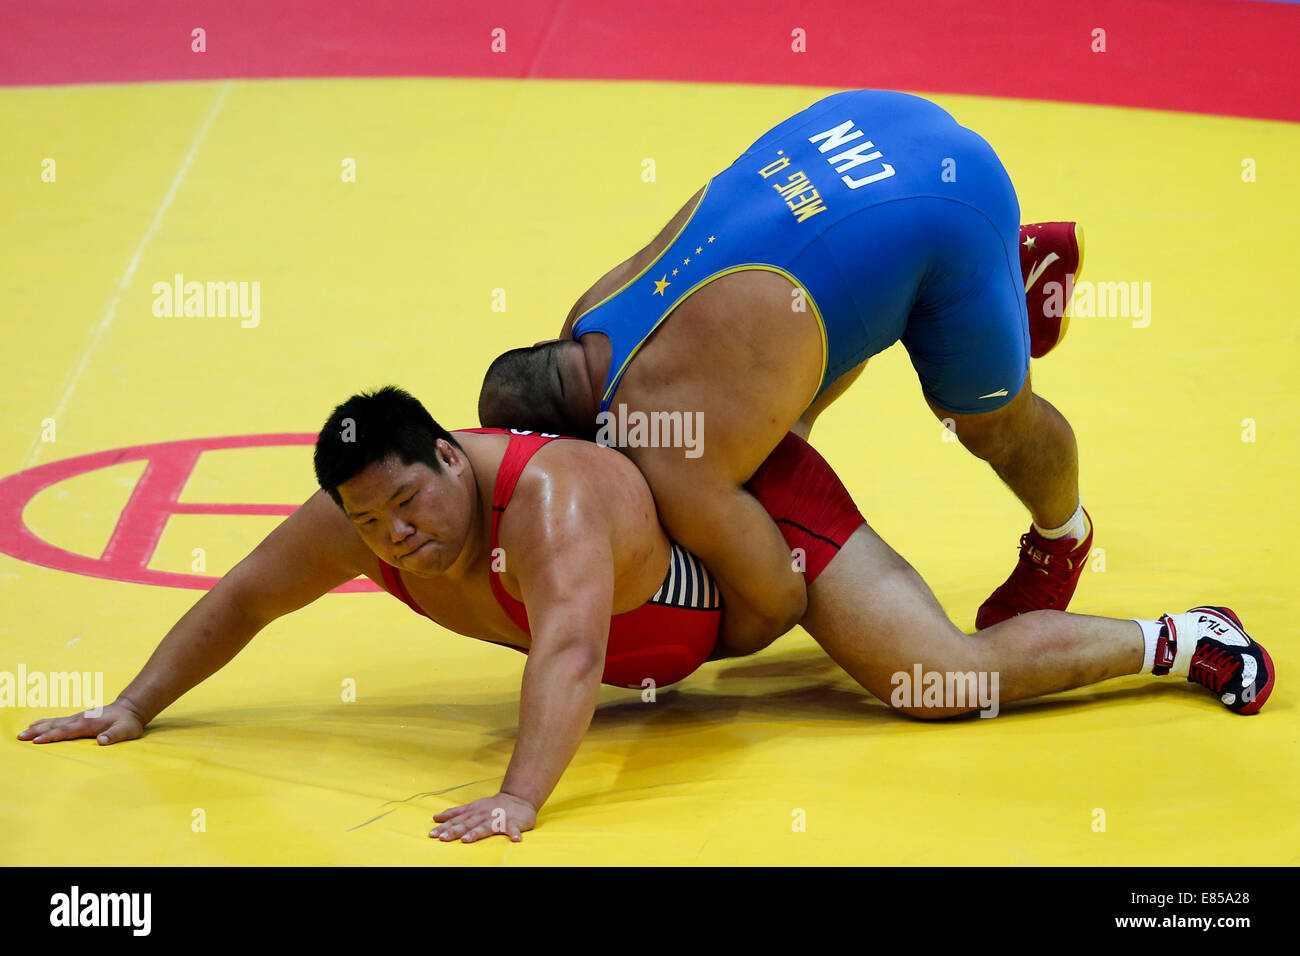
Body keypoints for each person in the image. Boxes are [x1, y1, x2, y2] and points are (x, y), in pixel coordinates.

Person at [19, 387, 1275, 845]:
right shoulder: (361, 514)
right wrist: (134, 701)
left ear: (454, 457)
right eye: (369, 524)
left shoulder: (542, 503)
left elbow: (570, 645)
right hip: (692, 597)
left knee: (936, 680)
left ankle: (1178, 634)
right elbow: (241, 595)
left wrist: (521, 796)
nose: (394, 538)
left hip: (756, 525)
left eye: (408, 504)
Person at [478, 88, 1092, 656]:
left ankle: (1062, 538)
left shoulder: (671, 453)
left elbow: (776, 602)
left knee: (987, 426)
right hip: (867, 121)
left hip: (952, 206)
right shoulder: (586, 318)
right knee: (786, 372)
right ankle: (1003, 277)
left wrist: (677, 651)